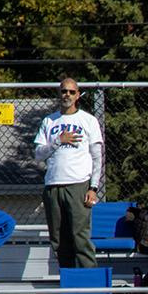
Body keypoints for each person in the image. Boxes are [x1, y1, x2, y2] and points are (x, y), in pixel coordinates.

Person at [33, 76, 103, 270]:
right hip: (53, 185)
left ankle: (89, 283)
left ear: (78, 95)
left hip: (78, 184)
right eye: (64, 91)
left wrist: (94, 188)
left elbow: (97, 158)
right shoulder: (49, 121)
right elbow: (38, 155)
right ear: (59, 93)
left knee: (80, 237)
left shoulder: (88, 120)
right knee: (58, 238)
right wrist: (58, 140)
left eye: (72, 92)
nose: (67, 95)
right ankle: (69, 281)